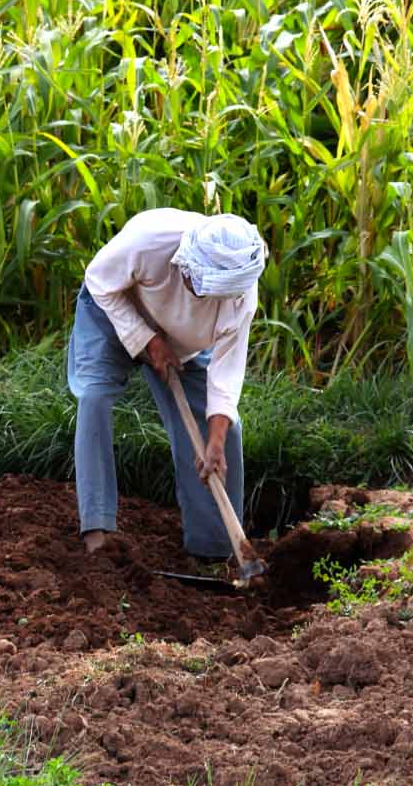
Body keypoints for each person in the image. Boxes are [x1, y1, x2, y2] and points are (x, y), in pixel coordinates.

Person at [67, 208, 266, 560]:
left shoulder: (240, 295)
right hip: (113, 312)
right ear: (186, 263)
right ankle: (98, 534)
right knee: (95, 398)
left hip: (183, 347)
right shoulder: (151, 240)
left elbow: (227, 373)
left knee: (225, 433)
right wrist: (147, 339)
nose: (201, 295)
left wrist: (215, 440)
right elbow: (99, 281)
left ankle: (217, 550)